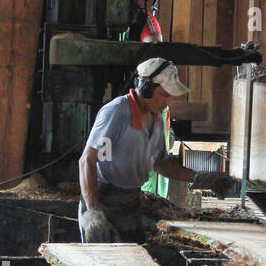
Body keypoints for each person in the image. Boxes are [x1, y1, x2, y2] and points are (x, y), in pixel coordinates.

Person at [77, 57, 235, 242]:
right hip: (103, 202)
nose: (168, 102)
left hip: (131, 203)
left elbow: (161, 164)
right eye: (165, 95)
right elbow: (87, 160)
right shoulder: (116, 112)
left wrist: (200, 178)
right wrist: (93, 212)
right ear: (146, 87)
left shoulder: (157, 118)